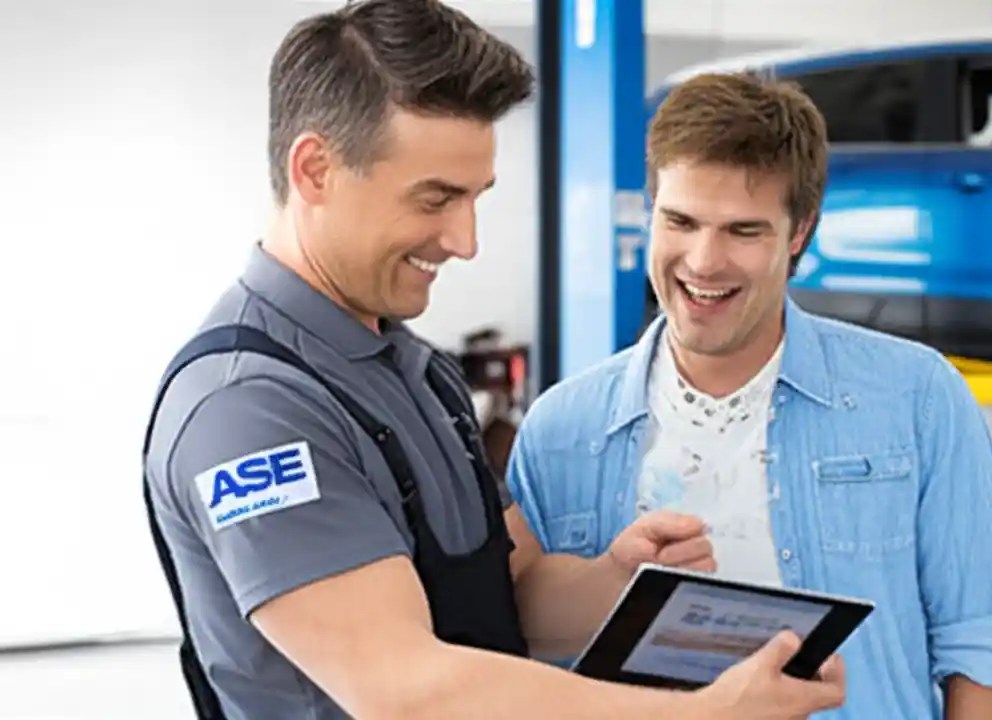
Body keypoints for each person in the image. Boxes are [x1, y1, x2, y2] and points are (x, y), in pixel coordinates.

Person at [141, 2, 848, 718]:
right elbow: (404, 690)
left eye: (476, 198)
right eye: (436, 199)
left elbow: (513, 589)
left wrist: (616, 583)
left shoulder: (412, 368)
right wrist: (706, 714)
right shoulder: (247, 411)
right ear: (316, 169)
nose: (465, 239)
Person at [506, 71, 992, 719]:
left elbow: (981, 646)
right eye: (680, 220)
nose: (703, 261)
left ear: (799, 233)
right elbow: (515, 637)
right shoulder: (561, 428)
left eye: (743, 231)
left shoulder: (917, 398)